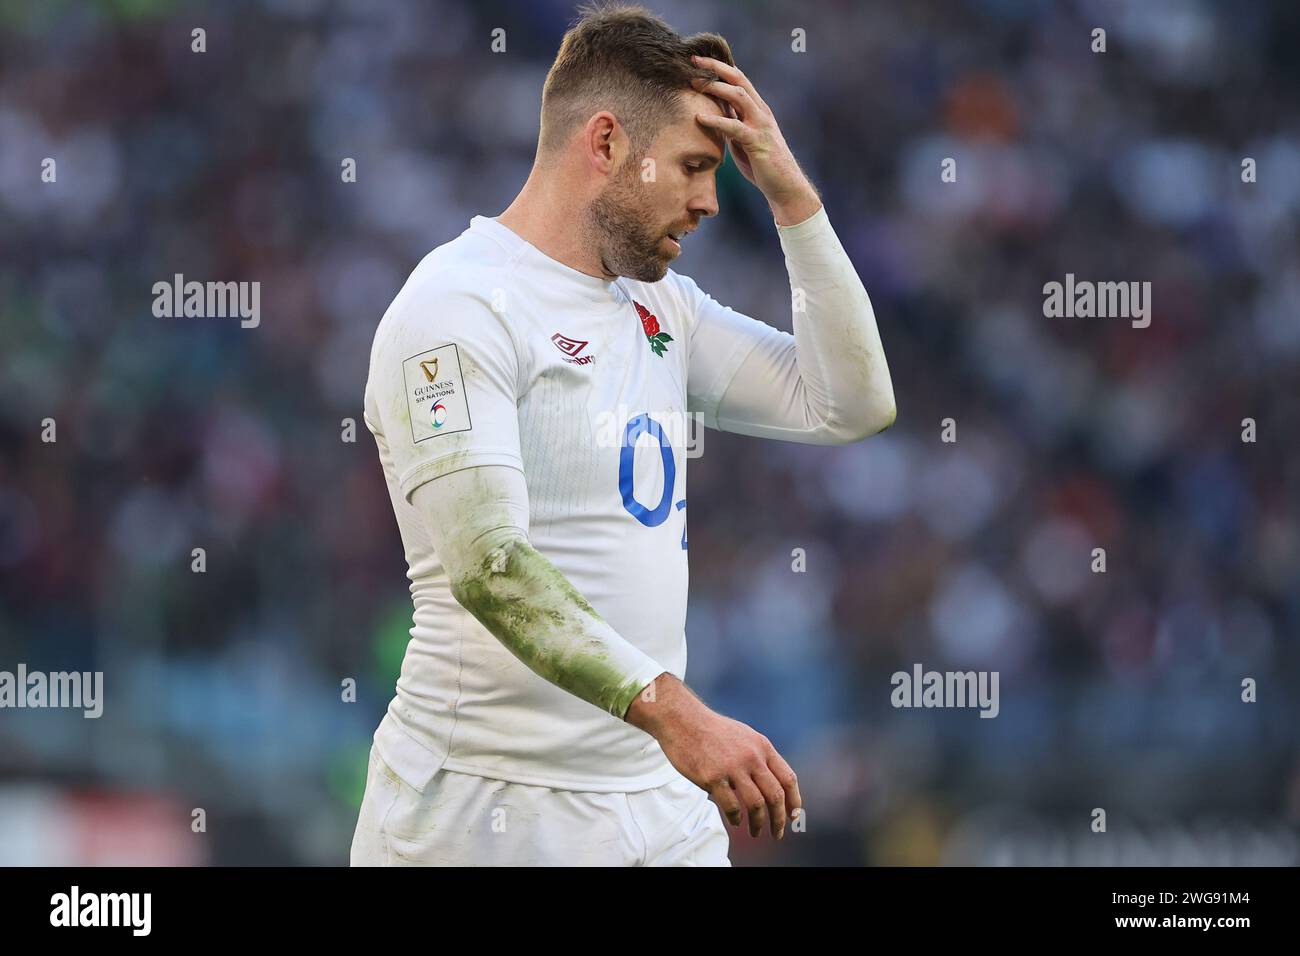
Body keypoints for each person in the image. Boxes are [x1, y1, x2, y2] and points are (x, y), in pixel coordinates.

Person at [351, 2, 895, 866]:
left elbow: (850, 403)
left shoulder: (659, 305)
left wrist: (792, 197)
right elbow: (491, 565)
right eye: (692, 166)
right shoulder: (457, 307)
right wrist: (678, 713)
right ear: (605, 142)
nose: (710, 200)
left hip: (654, 795)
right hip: (488, 803)